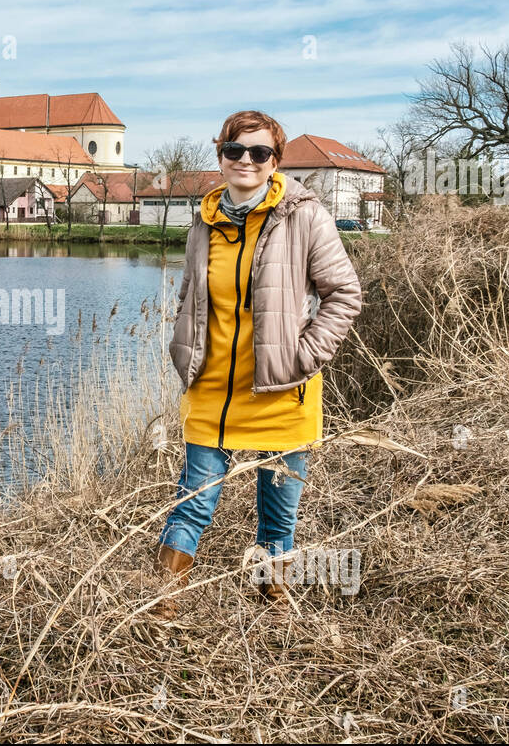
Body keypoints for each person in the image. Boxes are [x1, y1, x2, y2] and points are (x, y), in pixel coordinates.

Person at [154, 110, 362, 620]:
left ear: (275, 161)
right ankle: (163, 604)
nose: (246, 160)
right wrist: (183, 346)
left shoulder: (305, 216)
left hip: (282, 390)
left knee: (278, 511)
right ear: (220, 155)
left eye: (260, 152)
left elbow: (344, 294)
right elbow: (189, 295)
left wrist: (304, 355)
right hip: (211, 389)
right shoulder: (202, 221)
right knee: (193, 501)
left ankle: (271, 598)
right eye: (235, 150)